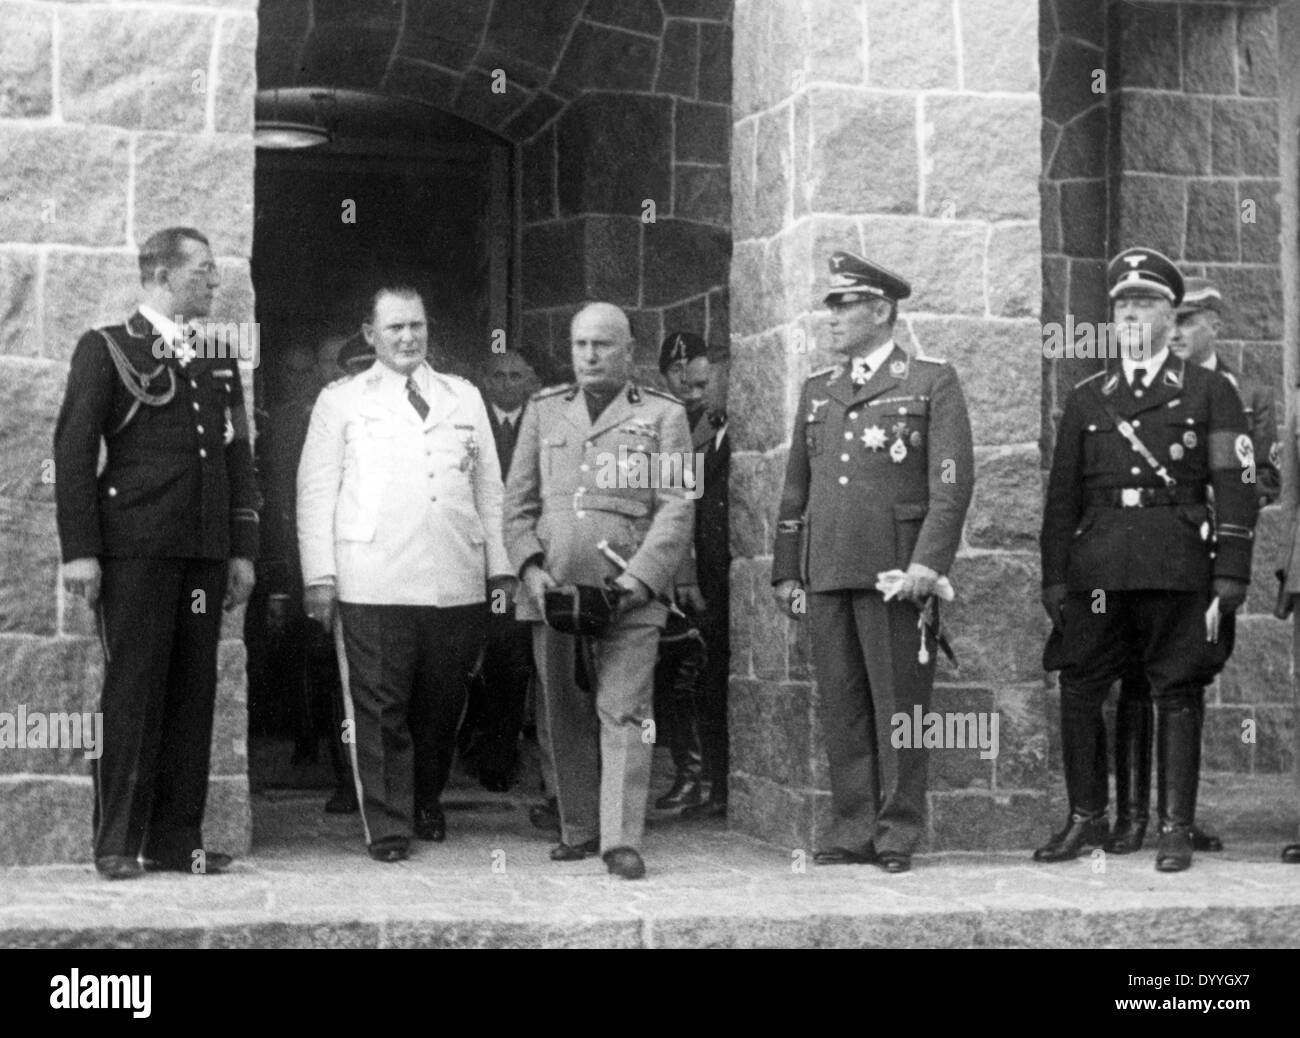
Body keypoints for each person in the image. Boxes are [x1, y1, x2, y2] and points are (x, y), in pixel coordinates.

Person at [1037, 247, 1257, 873]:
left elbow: (1236, 485)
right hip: (1100, 568)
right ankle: (1087, 817)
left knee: (1176, 689)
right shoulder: (1088, 397)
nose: (1133, 312)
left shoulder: (1210, 390)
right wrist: (1056, 577)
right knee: (1080, 685)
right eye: (1123, 303)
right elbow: (1062, 499)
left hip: (1176, 561)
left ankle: (1174, 827)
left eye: (1147, 302)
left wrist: (1231, 573)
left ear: (1170, 315)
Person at [54, 226, 259, 880]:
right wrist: (81, 551)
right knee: (132, 693)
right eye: (202, 270)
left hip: (202, 550)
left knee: (194, 694)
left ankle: (177, 841)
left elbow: (237, 458)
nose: (214, 281)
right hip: (136, 550)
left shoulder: (219, 356)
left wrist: (242, 549)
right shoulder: (109, 349)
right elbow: (74, 452)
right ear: (163, 274)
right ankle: (116, 841)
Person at [771, 251, 974, 874]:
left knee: (900, 711)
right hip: (828, 570)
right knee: (843, 707)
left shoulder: (929, 380)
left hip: (895, 576)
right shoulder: (818, 390)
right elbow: (795, 490)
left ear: (882, 311)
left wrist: (927, 565)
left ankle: (896, 833)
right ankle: (853, 826)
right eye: (829, 304)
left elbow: (951, 483)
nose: (830, 316)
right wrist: (786, 568)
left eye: (843, 304)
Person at [296, 285, 513, 862]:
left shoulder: (463, 397)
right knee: (378, 706)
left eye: (415, 326)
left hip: (454, 574)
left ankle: (424, 799)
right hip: (372, 574)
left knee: (442, 704)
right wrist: (319, 575)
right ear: (370, 334)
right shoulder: (340, 400)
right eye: (394, 328)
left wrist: (501, 570)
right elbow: (316, 492)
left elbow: (490, 490)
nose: (407, 338)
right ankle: (388, 825)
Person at [504, 302, 694, 880]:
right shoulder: (544, 411)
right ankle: (578, 828)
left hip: (631, 594)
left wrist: (640, 580)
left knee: (626, 711)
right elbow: (516, 504)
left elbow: (678, 507)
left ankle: (620, 840)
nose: (589, 355)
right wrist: (530, 570)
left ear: (629, 352)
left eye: (603, 345)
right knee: (562, 713)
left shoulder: (665, 416)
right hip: (555, 591)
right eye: (581, 344)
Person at [1108, 276, 1279, 855]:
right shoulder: (1137, 384)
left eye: (1187, 321)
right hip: (1147, 550)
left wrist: (1232, 520)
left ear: (1213, 324)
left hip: (1202, 549)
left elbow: (1256, 475)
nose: (1176, 332)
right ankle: (1137, 819)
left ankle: (1178, 820)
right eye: (1171, 319)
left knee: (1187, 675)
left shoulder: (1240, 392)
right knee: (1140, 674)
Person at [652, 331, 732, 819]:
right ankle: (691, 775)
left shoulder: (725, 426)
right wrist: (679, 569)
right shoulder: (665, 423)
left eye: (701, 377)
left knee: (704, 675)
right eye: (680, 376)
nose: (690, 385)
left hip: (717, 570)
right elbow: (671, 504)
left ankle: (709, 782)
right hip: (682, 571)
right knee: (678, 677)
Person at [457, 349, 541, 791]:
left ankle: (499, 758)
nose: (507, 383)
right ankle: (469, 740)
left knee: (512, 662)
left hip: (524, 563)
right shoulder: (471, 421)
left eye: (516, 376)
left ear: (529, 381)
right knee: (466, 660)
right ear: (484, 380)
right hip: (473, 561)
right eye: (498, 375)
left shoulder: (543, 421)